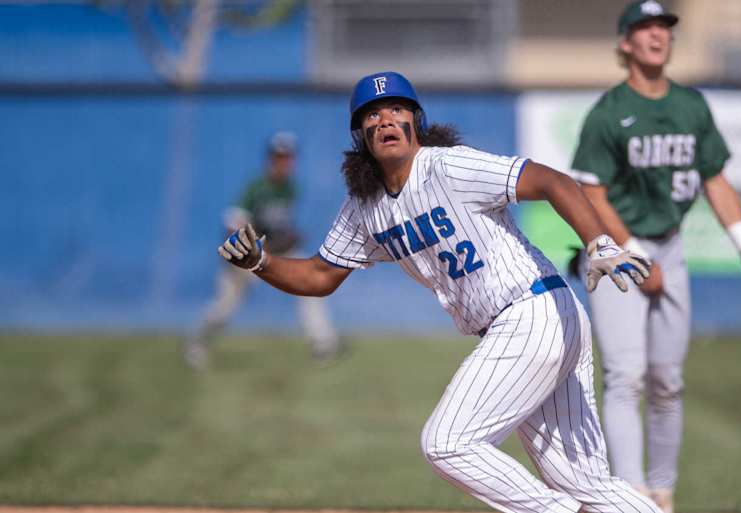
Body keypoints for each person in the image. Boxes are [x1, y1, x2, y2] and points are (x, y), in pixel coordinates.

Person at [218, 71, 661, 513]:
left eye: (396, 109)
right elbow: (320, 274)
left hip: (532, 312)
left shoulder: (449, 166)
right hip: (538, 320)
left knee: (447, 444)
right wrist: (262, 263)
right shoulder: (364, 205)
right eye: (372, 115)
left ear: (417, 121)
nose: (385, 119)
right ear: (360, 135)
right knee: (584, 482)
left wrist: (599, 243)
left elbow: (552, 181)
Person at [568, 2, 741, 512]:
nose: (657, 35)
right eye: (645, 28)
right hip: (619, 251)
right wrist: (637, 258)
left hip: (670, 248)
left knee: (667, 381)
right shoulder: (609, 111)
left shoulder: (691, 106)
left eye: (664, 27)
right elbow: (592, 193)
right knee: (625, 376)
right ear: (625, 43)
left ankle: (662, 493)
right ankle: (630, 496)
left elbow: (715, 180)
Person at [184, 131, 341, 370]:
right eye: (279, 157)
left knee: (311, 285)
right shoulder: (257, 187)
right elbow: (232, 223)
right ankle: (197, 342)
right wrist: (247, 249)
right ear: (270, 159)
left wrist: (288, 237)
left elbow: (280, 228)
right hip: (247, 257)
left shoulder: (290, 188)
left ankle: (323, 342)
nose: (284, 162)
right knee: (224, 307)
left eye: (288, 157)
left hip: (277, 253)